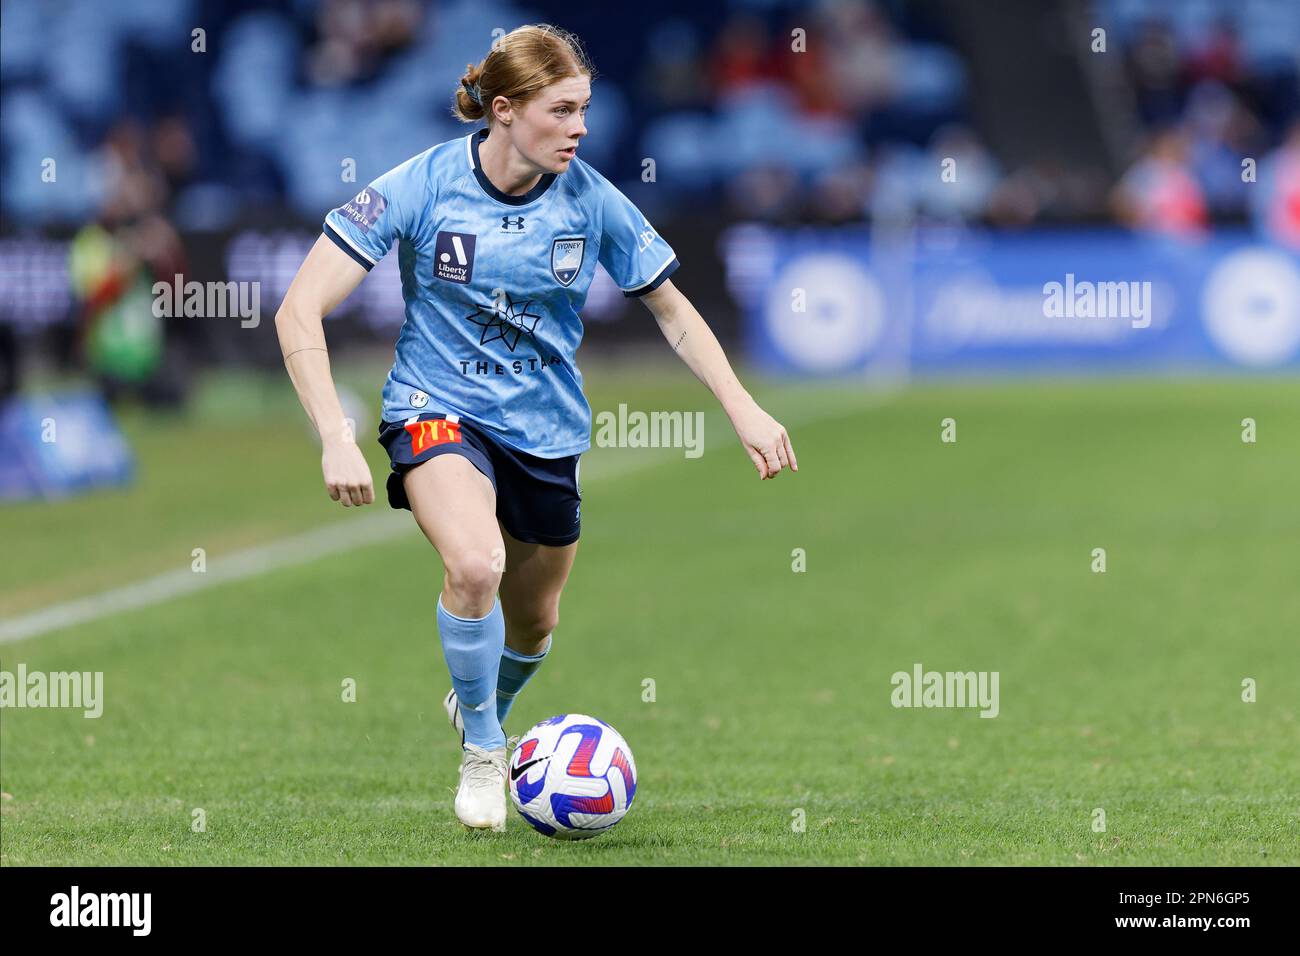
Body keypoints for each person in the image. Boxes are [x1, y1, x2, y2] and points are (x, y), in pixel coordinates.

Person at [275, 24, 797, 832]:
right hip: (434, 407)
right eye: (562, 110)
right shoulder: (419, 186)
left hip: (547, 430)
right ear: (506, 110)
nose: (580, 127)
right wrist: (334, 432)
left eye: (584, 108)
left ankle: (482, 700)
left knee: (537, 620)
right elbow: (299, 305)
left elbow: (673, 310)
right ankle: (485, 750)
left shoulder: (591, 199)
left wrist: (743, 406)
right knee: (476, 565)